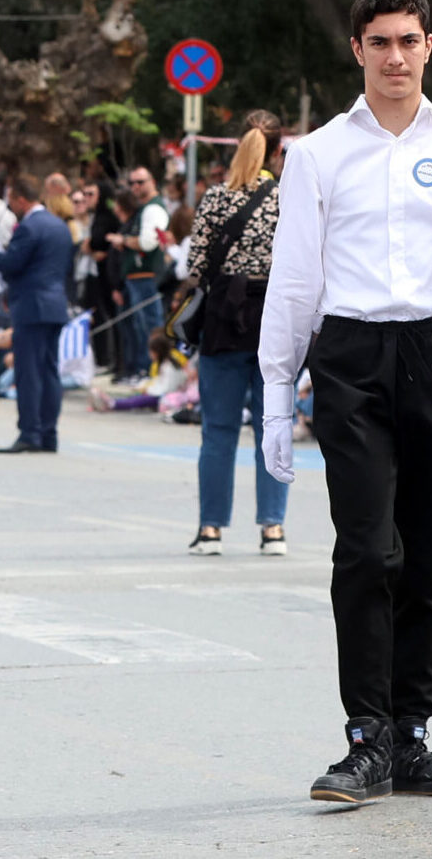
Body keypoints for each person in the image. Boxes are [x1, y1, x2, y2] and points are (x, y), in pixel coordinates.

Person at [257, 0, 432, 802]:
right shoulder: (318, 152)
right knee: (367, 549)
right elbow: (294, 279)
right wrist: (278, 391)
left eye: (410, 41)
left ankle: (414, 734)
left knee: (427, 553)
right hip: (352, 353)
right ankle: (365, 736)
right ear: (357, 49)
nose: (397, 56)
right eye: (381, 41)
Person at [186, 112, 288, 556]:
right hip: (275, 324)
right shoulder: (288, 199)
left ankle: (211, 529)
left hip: (224, 321)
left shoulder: (215, 199)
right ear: (278, 151)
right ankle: (273, 529)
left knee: (219, 430)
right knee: (274, 427)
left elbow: (195, 268)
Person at [0, 176, 73, 454]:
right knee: (49, 372)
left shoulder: (29, 227)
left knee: (28, 372)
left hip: (32, 306)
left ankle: (30, 433)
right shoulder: (60, 226)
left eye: (11, 201)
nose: (11, 207)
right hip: (55, 305)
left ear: (21, 199)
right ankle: (49, 434)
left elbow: (13, 263)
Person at [109, 167, 169, 376]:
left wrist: (123, 240)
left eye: (140, 182)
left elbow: (147, 242)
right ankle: (148, 371)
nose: (135, 186)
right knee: (142, 328)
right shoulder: (144, 209)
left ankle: (154, 372)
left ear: (152, 181)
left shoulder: (153, 209)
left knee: (150, 329)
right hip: (138, 278)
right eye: (132, 182)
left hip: (147, 277)